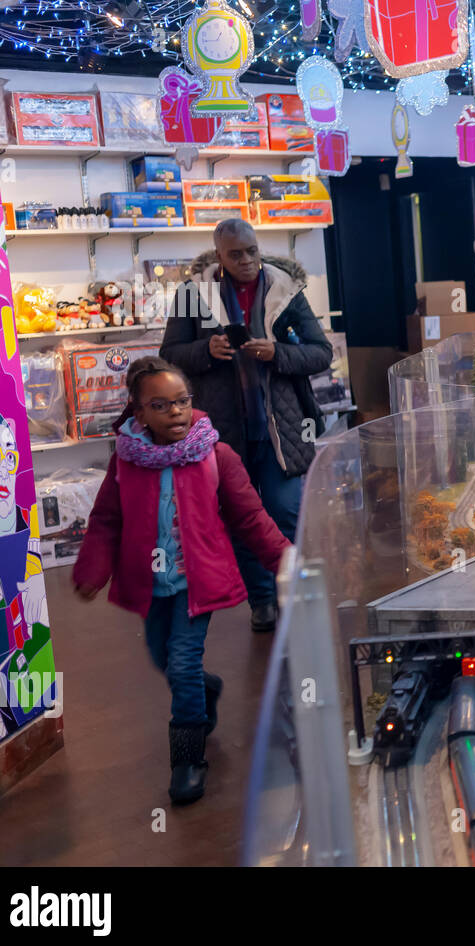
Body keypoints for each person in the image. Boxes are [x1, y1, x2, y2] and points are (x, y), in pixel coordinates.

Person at [72, 357, 290, 805]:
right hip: (150, 584)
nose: (175, 412)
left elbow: (249, 516)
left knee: (183, 664)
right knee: (161, 657)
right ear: (139, 412)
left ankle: (188, 760)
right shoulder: (125, 462)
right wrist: (92, 570)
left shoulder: (216, 455)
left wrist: (283, 558)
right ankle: (206, 690)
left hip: (196, 583)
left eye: (182, 402)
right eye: (161, 405)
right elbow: (107, 520)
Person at [160, 218, 332, 633]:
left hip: (281, 428)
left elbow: (321, 353)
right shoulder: (191, 295)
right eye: (236, 254)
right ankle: (263, 602)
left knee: (284, 509)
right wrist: (207, 349)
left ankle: (293, 591)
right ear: (219, 255)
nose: (247, 260)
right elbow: (170, 354)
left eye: (252, 251)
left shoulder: (286, 291)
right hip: (224, 429)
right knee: (239, 516)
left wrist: (277, 354)